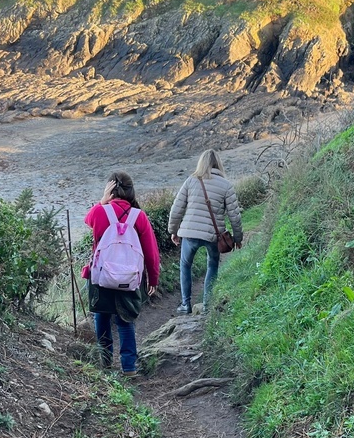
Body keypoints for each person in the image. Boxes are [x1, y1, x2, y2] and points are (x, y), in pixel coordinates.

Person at [85, 172, 160, 376]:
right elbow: (151, 253)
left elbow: (87, 220)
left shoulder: (100, 212)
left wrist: (102, 200)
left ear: (111, 190)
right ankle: (129, 367)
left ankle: (105, 362)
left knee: (101, 317)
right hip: (129, 278)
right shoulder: (140, 216)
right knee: (126, 320)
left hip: (102, 276)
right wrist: (152, 278)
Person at [168, 149, 243, 314]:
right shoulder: (226, 185)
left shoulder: (191, 181)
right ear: (219, 164)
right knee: (212, 265)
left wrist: (173, 230)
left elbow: (177, 209)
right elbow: (235, 216)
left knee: (185, 265)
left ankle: (185, 304)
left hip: (190, 233)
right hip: (213, 236)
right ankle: (207, 305)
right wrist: (237, 238)